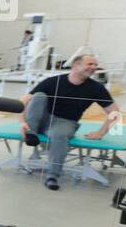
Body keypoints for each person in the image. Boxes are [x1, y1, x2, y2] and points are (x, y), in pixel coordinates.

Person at [19, 53, 120, 191]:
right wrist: (22, 123)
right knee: (39, 96)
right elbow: (23, 101)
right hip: (40, 119)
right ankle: (31, 131)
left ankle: (52, 176)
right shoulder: (53, 81)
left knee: (59, 135)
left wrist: (101, 132)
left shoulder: (96, 88)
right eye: (90, 64)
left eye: (95, 65)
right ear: (76, 65)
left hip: (65, 122)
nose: (94, 67)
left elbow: (114, 112)